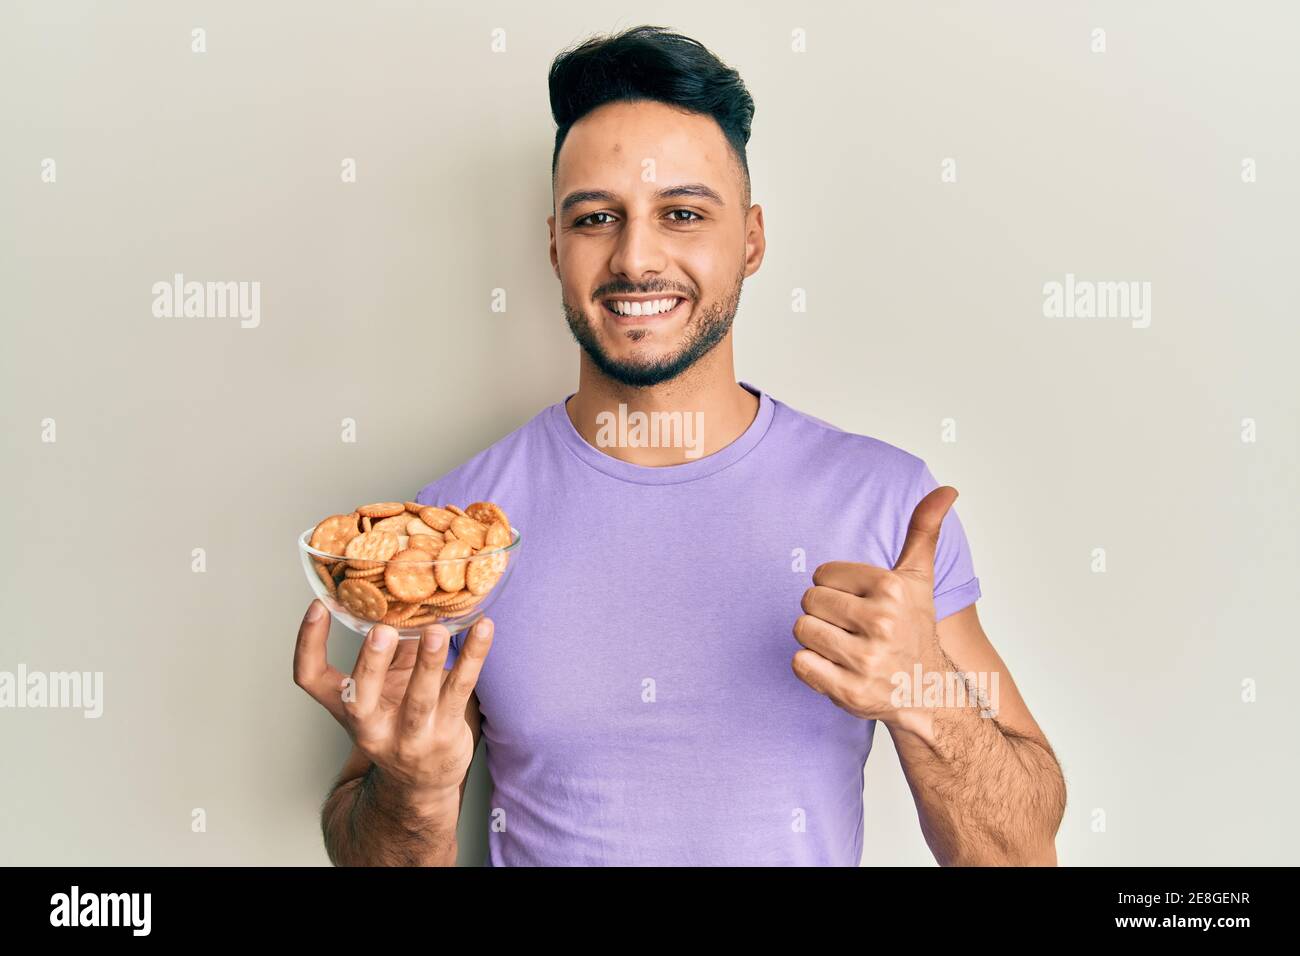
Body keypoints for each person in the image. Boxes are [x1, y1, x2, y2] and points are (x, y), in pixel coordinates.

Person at [293, 25, 1066, 866]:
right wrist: (416, 789)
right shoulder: (453, 539)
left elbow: (1020, 853)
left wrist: (929, 699)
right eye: (597, 219)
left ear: (753, 240)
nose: (636, 257)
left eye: (683, 214)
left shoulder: (884, 503)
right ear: (555, 244)